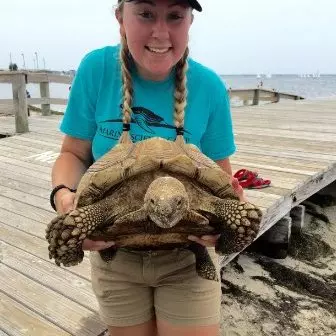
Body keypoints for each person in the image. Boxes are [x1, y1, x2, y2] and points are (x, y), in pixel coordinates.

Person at [51, 1, 245, 335]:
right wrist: (65, 198)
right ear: (120, 18)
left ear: (190, 21)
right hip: (116, 254)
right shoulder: (97, 69)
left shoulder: (209, 86)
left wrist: (228, 224)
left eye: (174, 16)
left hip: (187, 258)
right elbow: (73, 153)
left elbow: (221, 178)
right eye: (145, 13)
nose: (160, 32)